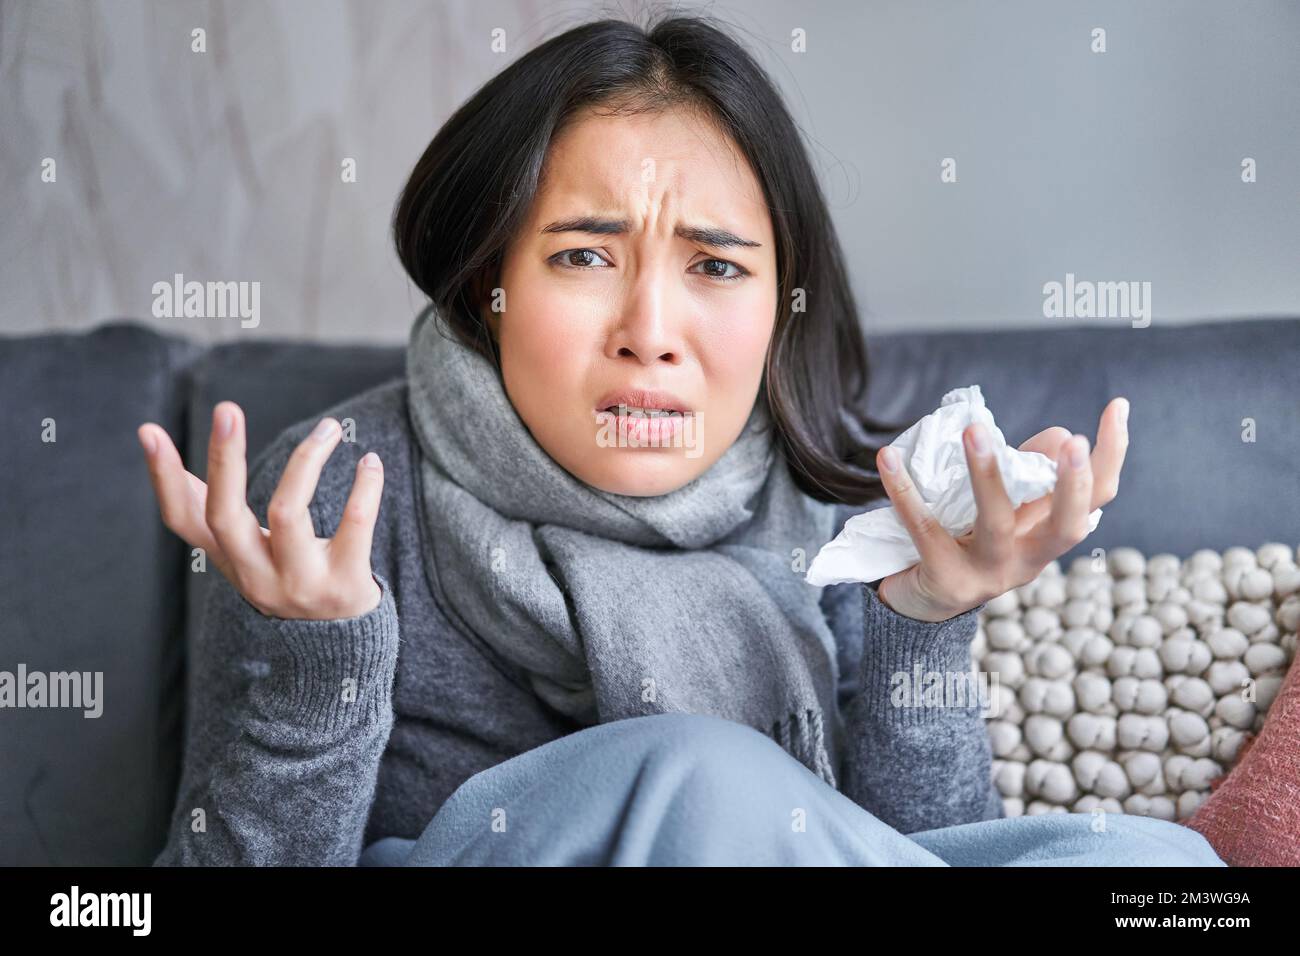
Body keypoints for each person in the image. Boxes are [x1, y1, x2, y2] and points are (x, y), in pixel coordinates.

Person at [137, 13, 1226, 867]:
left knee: (1151, 862)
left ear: (776, 303)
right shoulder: (331, 497)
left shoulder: (838, 501)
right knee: (700, 772)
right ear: (492, 281)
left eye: (714, 267)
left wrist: (924, 618)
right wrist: (318, 671)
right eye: (582, 257)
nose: (649, 335)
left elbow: (912, 849)